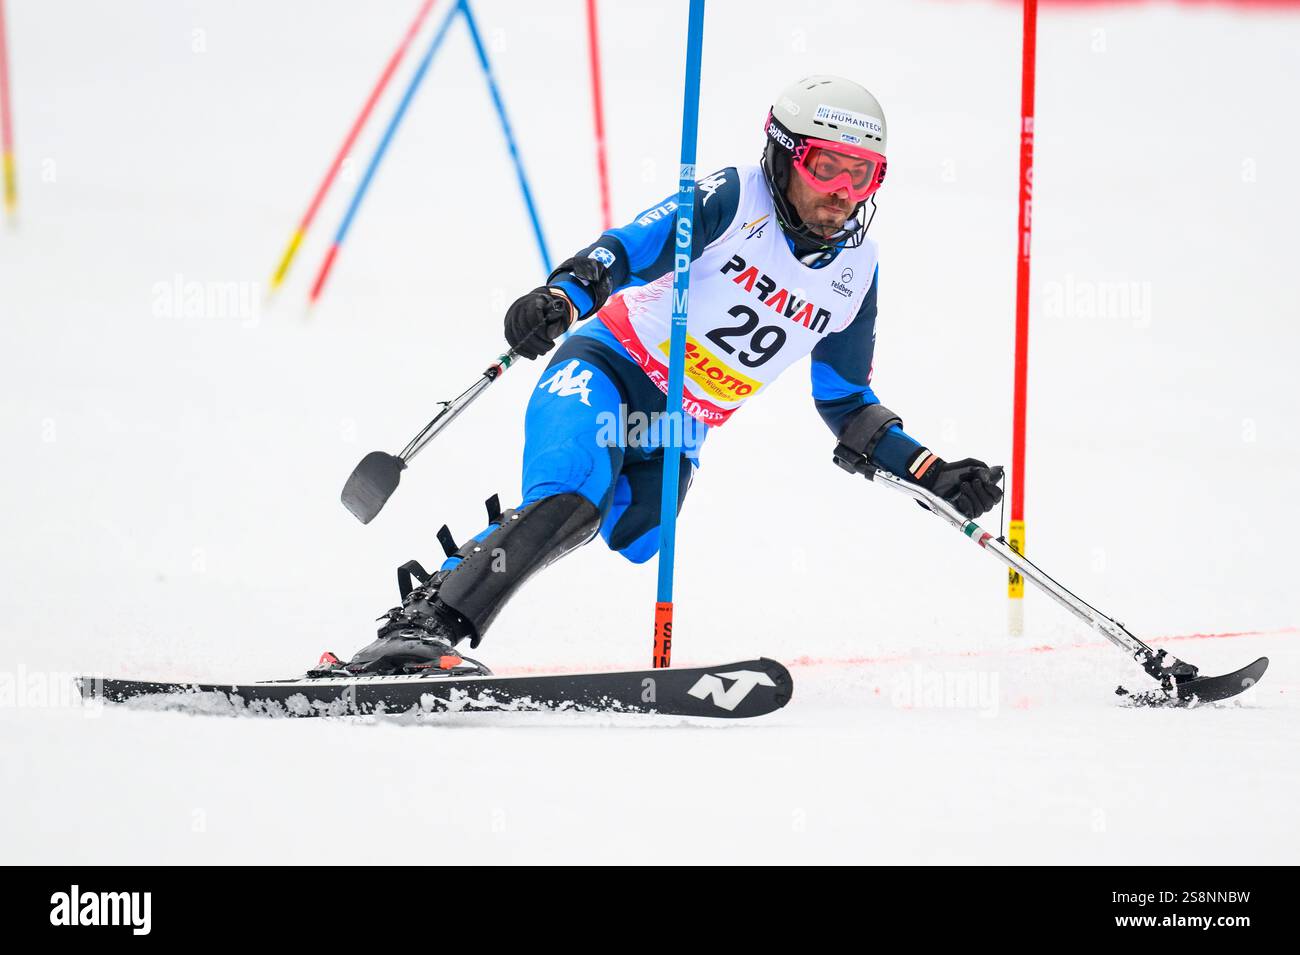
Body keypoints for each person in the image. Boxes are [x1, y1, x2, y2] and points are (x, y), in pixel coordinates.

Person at [340, 74, 1003, 676]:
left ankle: (473, 570)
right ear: (783, 154)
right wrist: (566, 293)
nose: (842, 192)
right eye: (825, 166)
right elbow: (629, 249)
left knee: (638, 535)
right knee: (573, 494)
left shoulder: (856, 274)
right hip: (608, 366)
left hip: (680, 424)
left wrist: (930, 470)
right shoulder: (735, 196)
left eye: (863, 175)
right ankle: (424, 625)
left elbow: (845, 401)